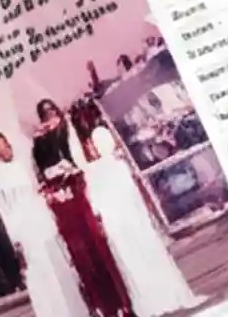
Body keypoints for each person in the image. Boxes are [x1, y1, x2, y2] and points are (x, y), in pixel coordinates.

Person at [83, 126, 205, 316]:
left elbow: (97, 203)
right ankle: (166, 297)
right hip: (129, 219)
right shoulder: (113, 166)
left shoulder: (98, 170)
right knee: (147, 258)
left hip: (119, 222)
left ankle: (153, 302)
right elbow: (129, 197)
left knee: (136, 263)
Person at [32, 100, 134, 317]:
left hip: (82, 191)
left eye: (52, 110)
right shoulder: (40, 143)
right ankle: (101, 308)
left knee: (100, 251)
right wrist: (53, 179)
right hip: (63, 201)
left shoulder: (70, 128)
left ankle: (122, 305)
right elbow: (42, 172)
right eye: (44, 114)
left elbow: (85, 157)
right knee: (81, 258)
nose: (49, 116)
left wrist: (73, 171)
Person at [0, 132, 89, 317]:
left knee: (59, 267)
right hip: (23, 229)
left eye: (5, 143)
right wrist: (15, 239)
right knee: (42, 274)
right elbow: (4, 210)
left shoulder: (22, 166)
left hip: (41, 220)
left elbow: (36, 191)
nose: (5, 148)